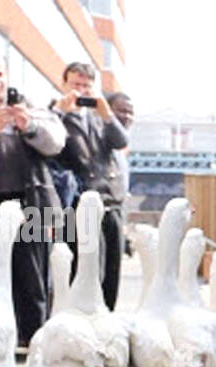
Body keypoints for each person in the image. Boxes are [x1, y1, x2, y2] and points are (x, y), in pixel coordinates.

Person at [0, 51, 67, 346]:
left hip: (33, 203)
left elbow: (56, 143)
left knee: (33, 276)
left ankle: (33, 341)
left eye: (1, 73)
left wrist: (28, 126)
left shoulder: (28, 105)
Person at [52, 63, 130, 310]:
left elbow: (120, 141)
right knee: (85, 267)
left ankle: (106, 317)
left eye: (86, 86)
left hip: (109, 203)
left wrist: (107, 114)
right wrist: (60, 112)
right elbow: (46, 144)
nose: (81, 91)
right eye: (75, 85)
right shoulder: (54, 116)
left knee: (112, 269)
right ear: (63, 85)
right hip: (79, 204)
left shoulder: (99, 119)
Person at [105, 91, 135, 257]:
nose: (127, 116)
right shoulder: (102, 138)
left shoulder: (121, 150)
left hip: (117, 213)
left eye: (130, 112)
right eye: (122, 111)